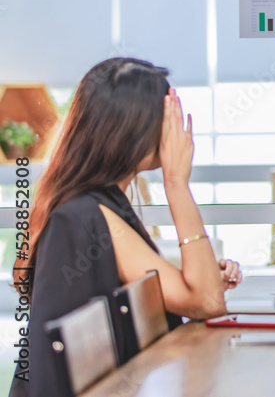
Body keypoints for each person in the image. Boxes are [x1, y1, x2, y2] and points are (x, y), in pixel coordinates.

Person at [10, 58, 241, 397]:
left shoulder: (92, 204)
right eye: (167, 119)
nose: (175, 132)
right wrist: (176, 183)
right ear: (134, 131)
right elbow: (206, 302)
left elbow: (200, 294)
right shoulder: (89, 214)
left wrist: (204, 275)